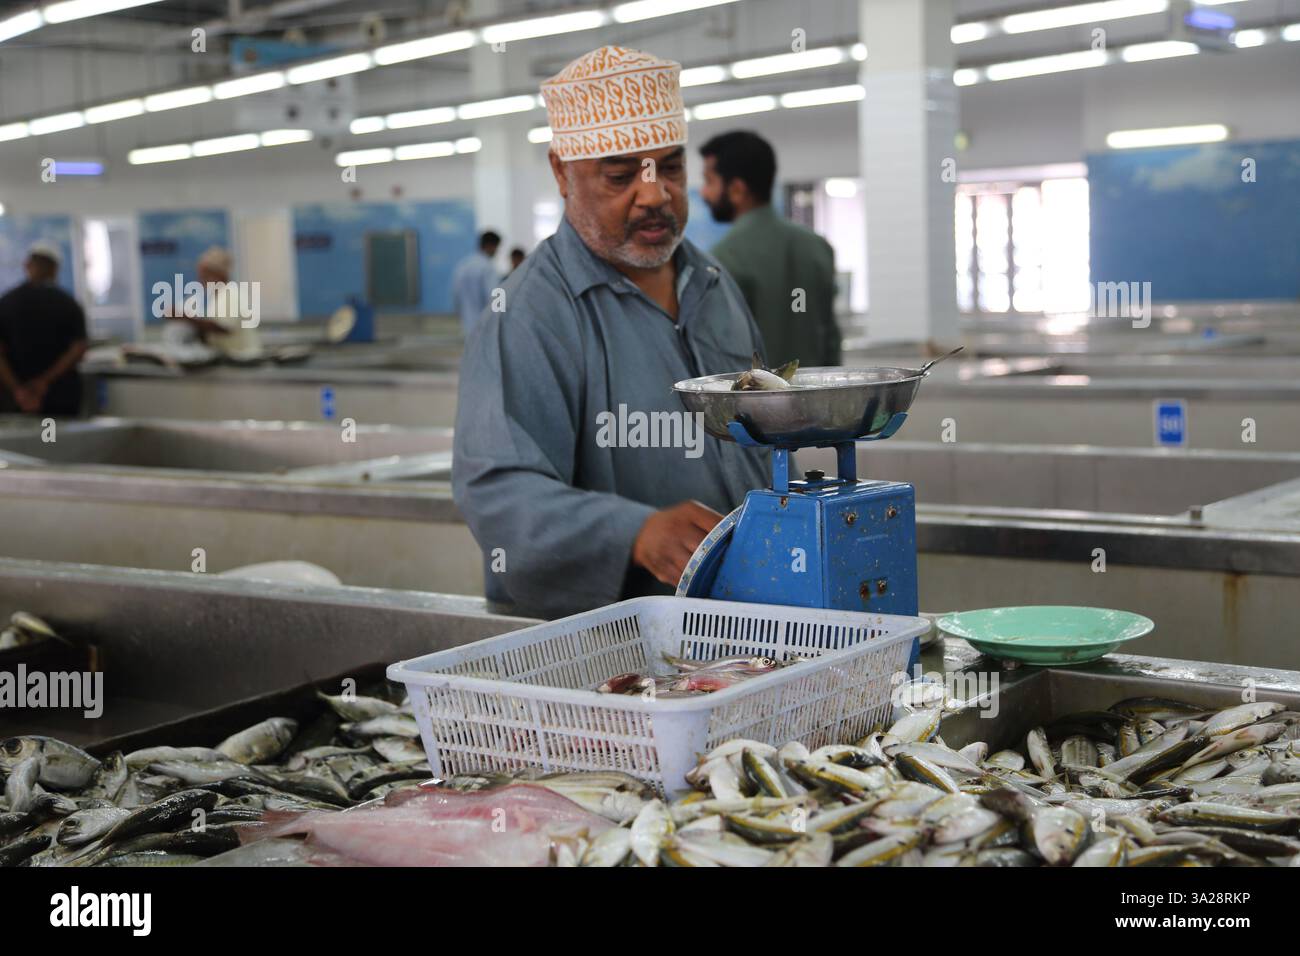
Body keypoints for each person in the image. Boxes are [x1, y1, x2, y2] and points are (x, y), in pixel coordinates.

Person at [453, 45, 769, 619]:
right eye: (621, 175)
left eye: (670, 168)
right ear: (561, 173)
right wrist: (636, 533)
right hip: (605, 652)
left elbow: (760, 429)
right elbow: (498, 495)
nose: (654, 195)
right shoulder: (527, 315)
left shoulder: (714, 285)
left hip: (740, 625)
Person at [700, 130, 842, 368]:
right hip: (818, 395)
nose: (704, 192)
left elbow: (721, 351)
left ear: (736, 190)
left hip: (756, 400)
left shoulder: (723, 257)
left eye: (709, 181)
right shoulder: (818, 247)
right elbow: (831, 340)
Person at [0, 241, 88, 416]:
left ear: (27, 266)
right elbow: (79, 348)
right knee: (57, 442)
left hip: (15, 401)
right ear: (55, 269)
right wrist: (44, 382)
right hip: (59, 397)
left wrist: (18, 389)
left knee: (16, 443)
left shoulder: (6, 303)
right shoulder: (68, 304)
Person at [163, 246, 263, 361]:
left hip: (243, 359)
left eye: (204, 274)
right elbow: (211, 331)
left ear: (219, 274)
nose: (200, 278)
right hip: (229, 358)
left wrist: (185, 317)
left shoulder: (231, 294)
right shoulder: (216, 297)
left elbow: (224, 328)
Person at [451, 230, 501, 336]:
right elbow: (496, 299)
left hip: (467, 326)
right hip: (486, 327)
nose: (497, 251)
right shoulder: (488, 268)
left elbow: (456, 295)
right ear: (490, 246)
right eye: (497, 248)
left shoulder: (463, 265)